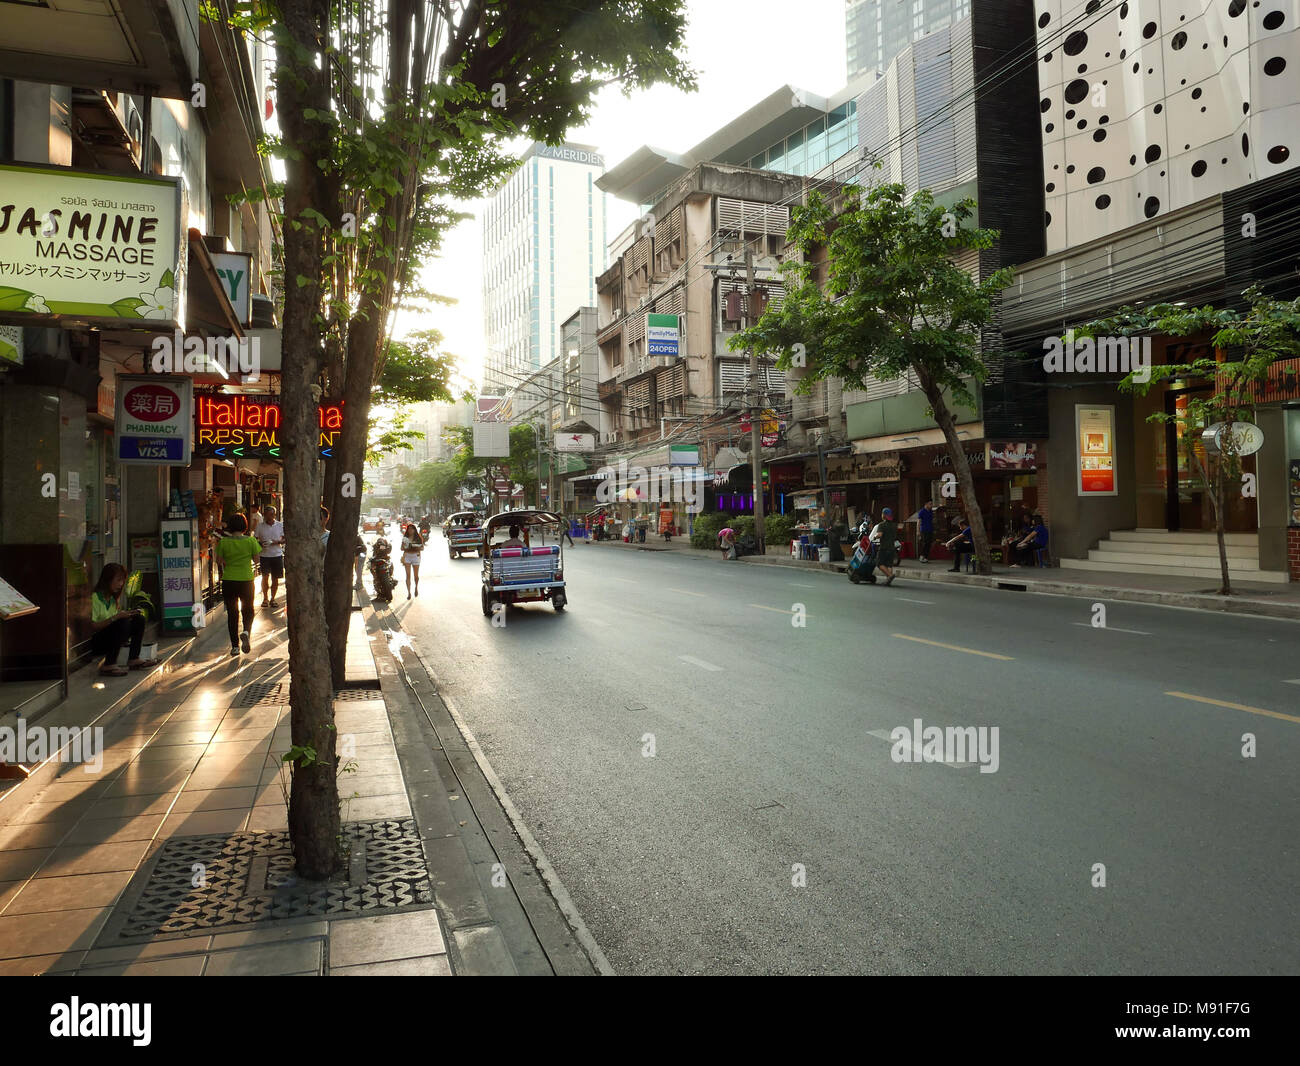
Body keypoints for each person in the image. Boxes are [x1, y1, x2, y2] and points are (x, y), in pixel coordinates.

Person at [88, 563, 156, 676]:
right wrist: (116, 617)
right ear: (108, 579)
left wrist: (128, 615)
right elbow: (92, 626)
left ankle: (134, 658)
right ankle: (109, 664)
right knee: (122, 622)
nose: (120, 584)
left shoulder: (112, 600)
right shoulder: (95, 598)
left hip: (111, 639)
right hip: (96, 642)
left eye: (122, 581)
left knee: (139, 619)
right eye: (118, 580)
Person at [215, 514, 261, 657]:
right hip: (246, 580)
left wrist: (228, 561)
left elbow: (218, 561)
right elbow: (257, 560)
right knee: (248, 610)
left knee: (232, 613)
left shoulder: (223, 542)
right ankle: (246, 631)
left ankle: (235, 647)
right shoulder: (251, 541)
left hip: (229, 580)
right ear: (244, 526)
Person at [255, 505, 285, 607]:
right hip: (264, 555)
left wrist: (277, 542)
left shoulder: (280, 525)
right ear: (264, 515)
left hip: (277, 554)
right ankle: (265, 598)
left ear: (274, 515)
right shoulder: (260, 526)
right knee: (265, 577)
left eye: (271, 515)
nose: (269, 517)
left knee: (275, 578)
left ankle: (273, 598)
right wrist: (260, 544)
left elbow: (285, 539)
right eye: (266, 515)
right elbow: (255, 539)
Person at [870, 507, 900, 586]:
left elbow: (880, 535)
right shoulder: (894, 525)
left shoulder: (881, 525)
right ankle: (888, 580)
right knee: (889, 564)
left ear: (884, 515)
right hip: (892, 547)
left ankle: (890, 575)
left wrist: (875, 537)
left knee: (879, 563)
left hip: (884, 547)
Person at [401, 521, 424, 597]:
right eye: (409, 529)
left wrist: (416, 547)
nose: (410, 530)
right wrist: (405, 546)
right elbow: (401, 548)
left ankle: (416, 588)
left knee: (416, 576)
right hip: (407, 556)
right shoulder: (405, 538)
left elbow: (422, 548)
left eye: (412, 529)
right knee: (408, 575)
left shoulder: (418, 538)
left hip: (416, 556)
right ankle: (409, 593)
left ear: (414, 530)